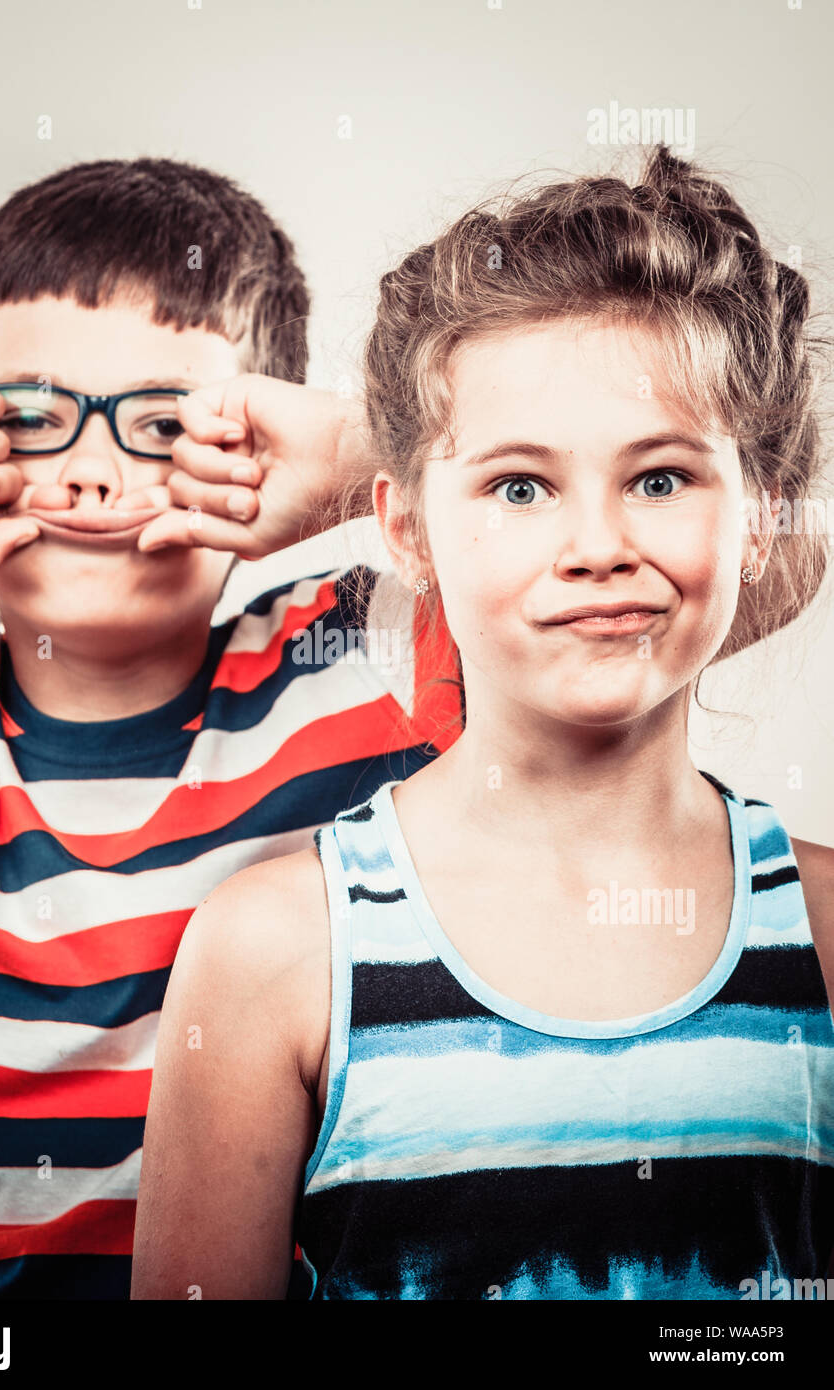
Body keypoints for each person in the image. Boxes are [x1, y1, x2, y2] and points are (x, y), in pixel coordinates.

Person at [132, 146, 834, 1300]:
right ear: (407, 532)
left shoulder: (823, 928)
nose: (597, 546)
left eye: (661, 478)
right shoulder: (272, 951)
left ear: (761, 519)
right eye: (519, 487)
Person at [0, 158, 459, 1299]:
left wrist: (363, 457)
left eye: (164, 424)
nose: (92, 473)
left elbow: (730, 578)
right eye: (27, 418)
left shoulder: (359, 662)